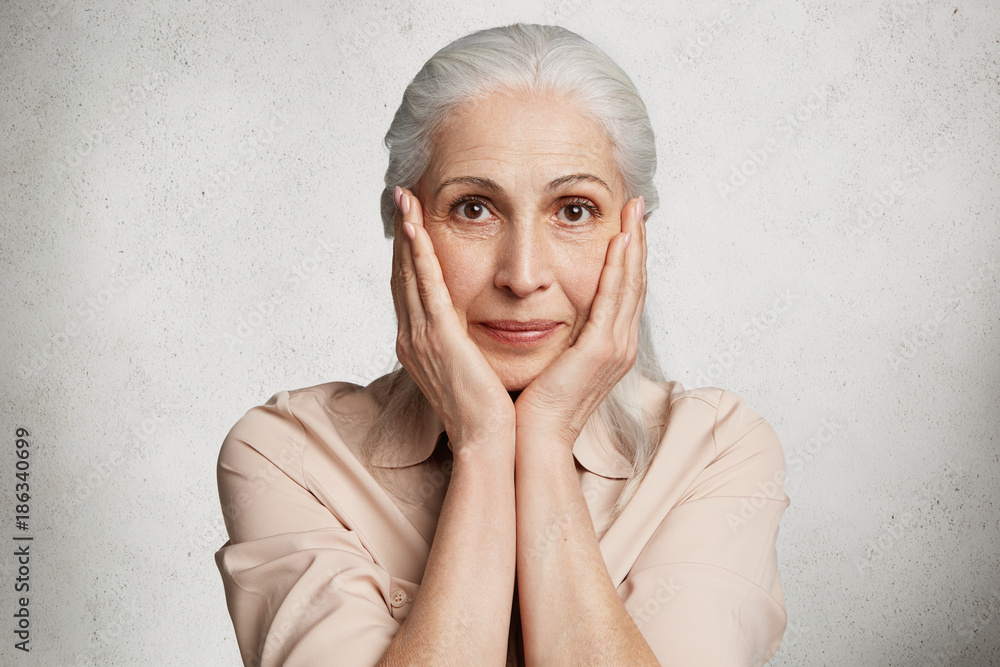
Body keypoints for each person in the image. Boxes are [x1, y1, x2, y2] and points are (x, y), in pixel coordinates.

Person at [214, 23, 789, 666]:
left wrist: (543, 440)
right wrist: (485, 444)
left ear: (634, 237)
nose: (521, 275)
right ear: (404, 229)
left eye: (573, 210)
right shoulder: (290, 453)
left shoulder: (714, 450)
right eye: (473, 209)